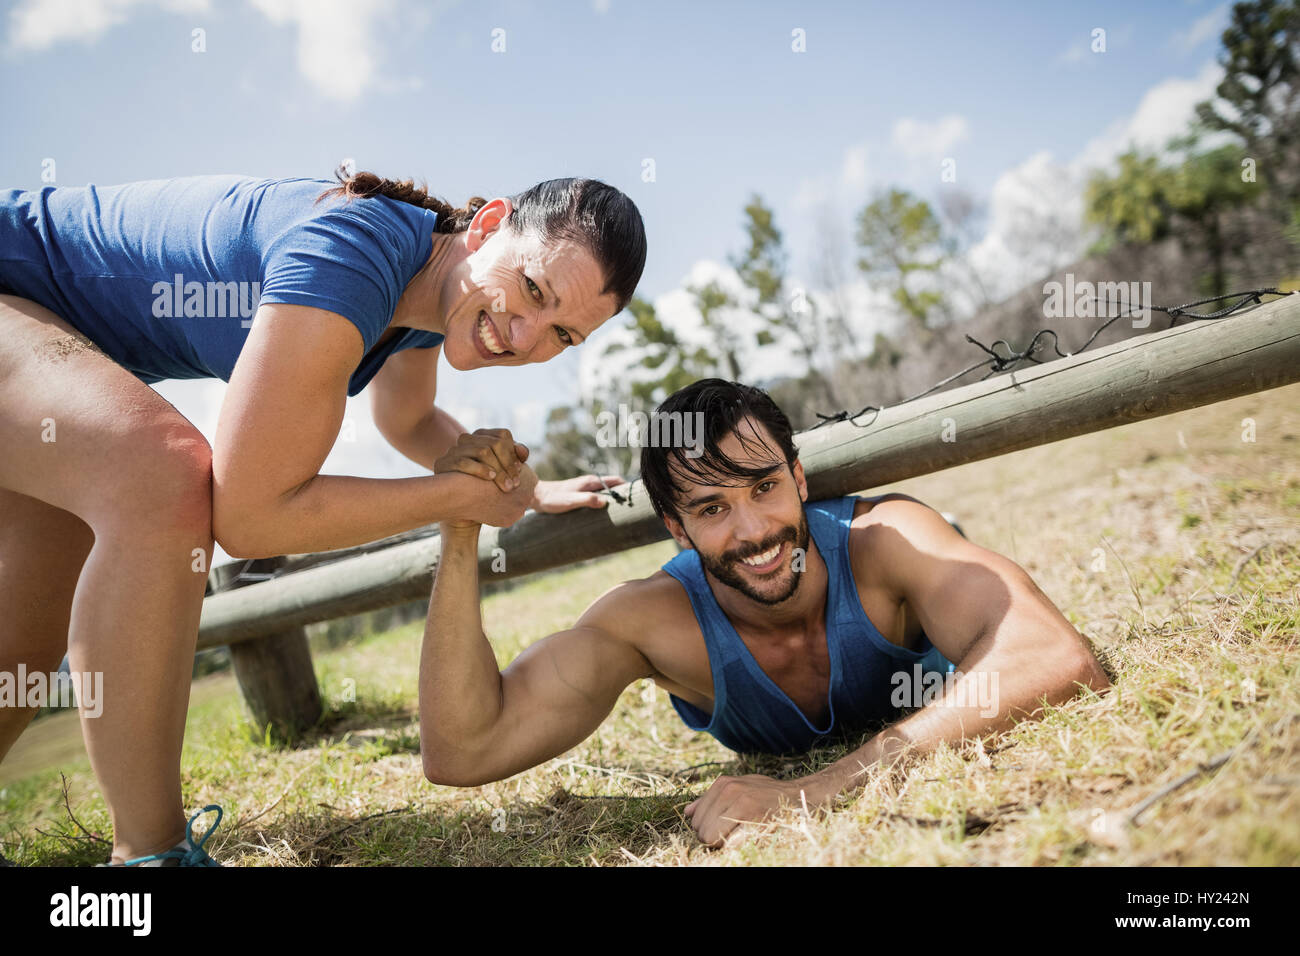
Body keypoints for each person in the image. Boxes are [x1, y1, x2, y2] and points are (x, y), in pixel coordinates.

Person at [0, 168, 645, 865]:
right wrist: (455, 499)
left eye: (563, 335)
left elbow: (411, 418)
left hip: (40, 327)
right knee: (157, 479)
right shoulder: (353, 253)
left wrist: (527, 487)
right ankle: (152, 856)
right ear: (488, 225)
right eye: (532, 290)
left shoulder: (434, 297)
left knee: (50, 565)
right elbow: (250, 517)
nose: (523, 337)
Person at [420, 379, 1111, 848]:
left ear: (799, 479)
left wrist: (817, 788)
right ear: (677, 530)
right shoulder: (648, 623)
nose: (753, 531)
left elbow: (1057, 658)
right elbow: (462, 749)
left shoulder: (888, 542)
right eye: (712, 509)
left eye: (765, 487)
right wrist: (458, 529)